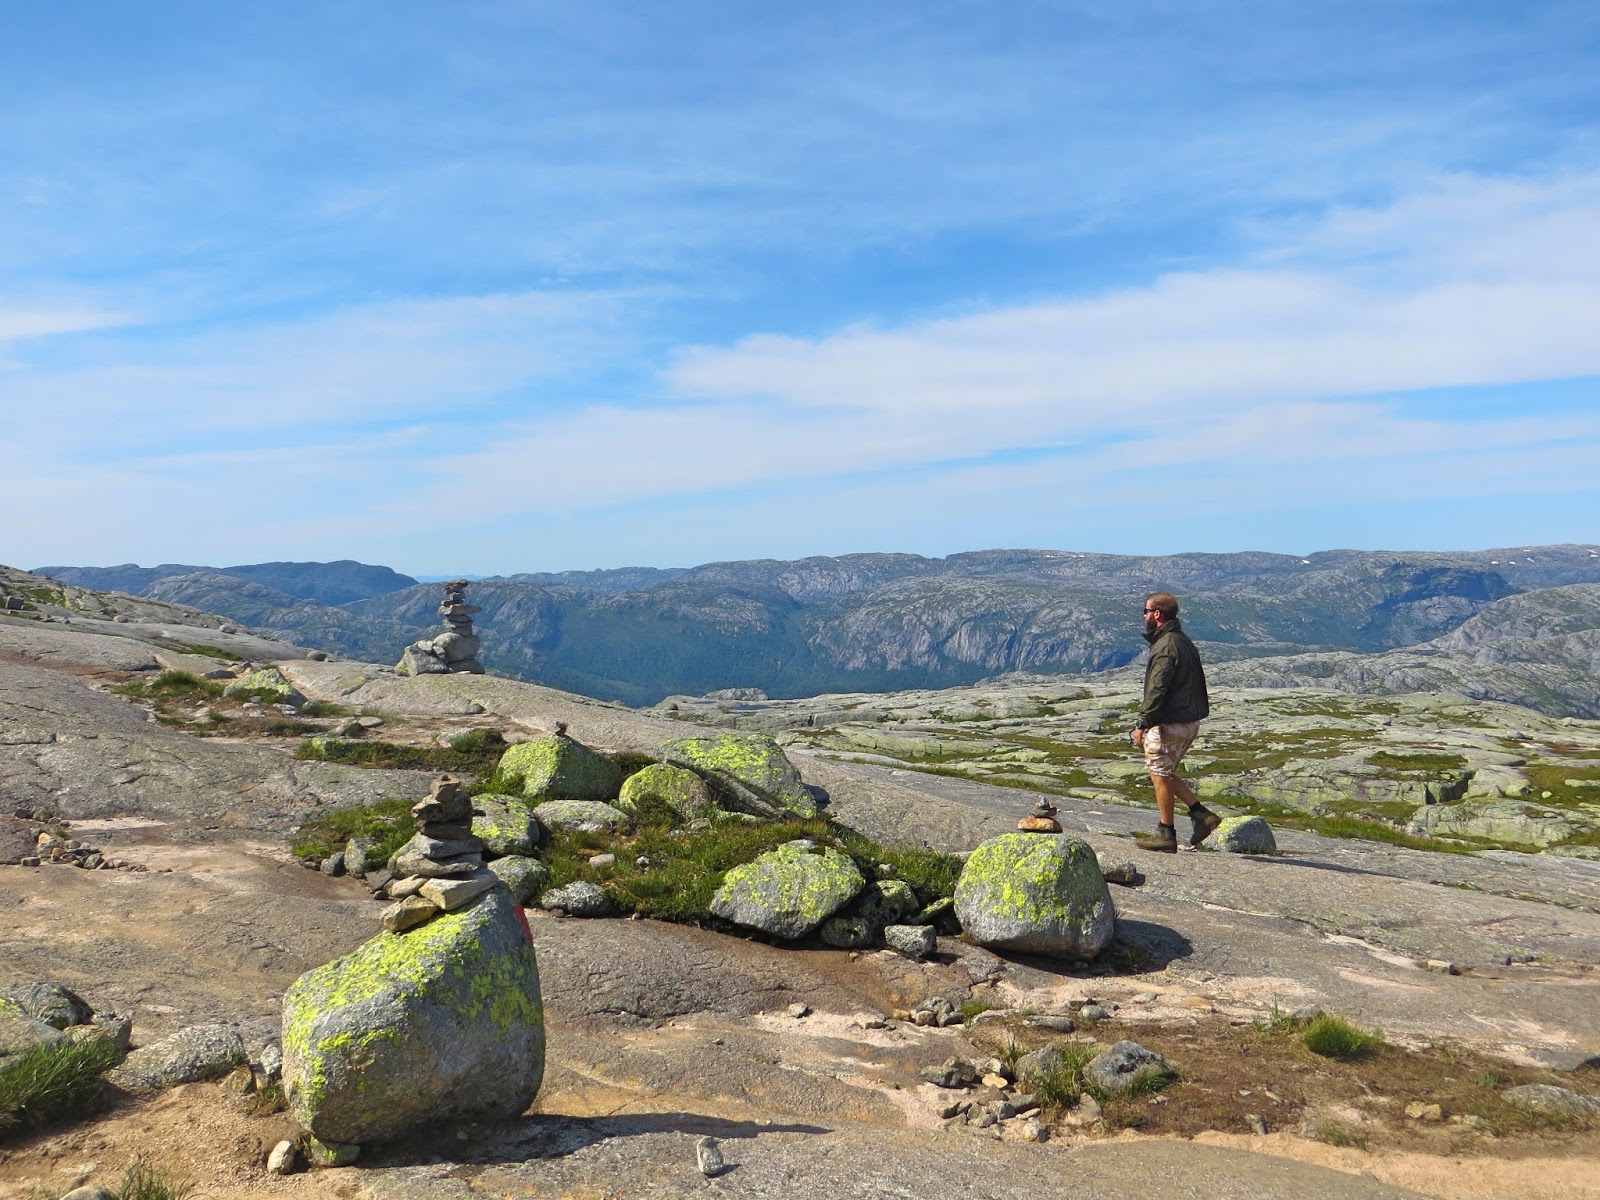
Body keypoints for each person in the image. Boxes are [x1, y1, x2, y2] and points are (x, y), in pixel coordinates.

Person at [1130, 592, 1218, 853]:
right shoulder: (1182, 641)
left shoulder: (1166, 646)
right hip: (1189, 721)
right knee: (1163, 772)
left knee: (1158, 774)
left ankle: (1165, 832)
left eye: (1145, 611)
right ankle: (1201, 815)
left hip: (1171, 723)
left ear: (1157, 614)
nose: (1143, 616)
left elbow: (1158, 688)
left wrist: (1142, 723)